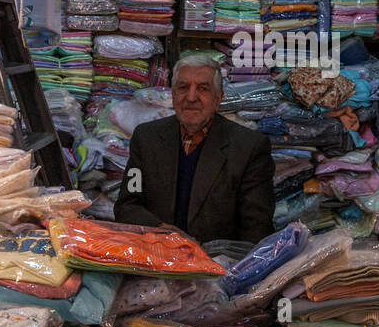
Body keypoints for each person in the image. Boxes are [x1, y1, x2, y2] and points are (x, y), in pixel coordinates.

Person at [114, 53, 275, 244]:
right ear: (173, 96)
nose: (191, 97)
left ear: (218, 99)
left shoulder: (248, 148)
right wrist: (159, 230)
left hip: (218, 264)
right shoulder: (147, 138)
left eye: (203, 89)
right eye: (183, 87)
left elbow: (256, 228)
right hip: (156, 255)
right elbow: (128, 204)